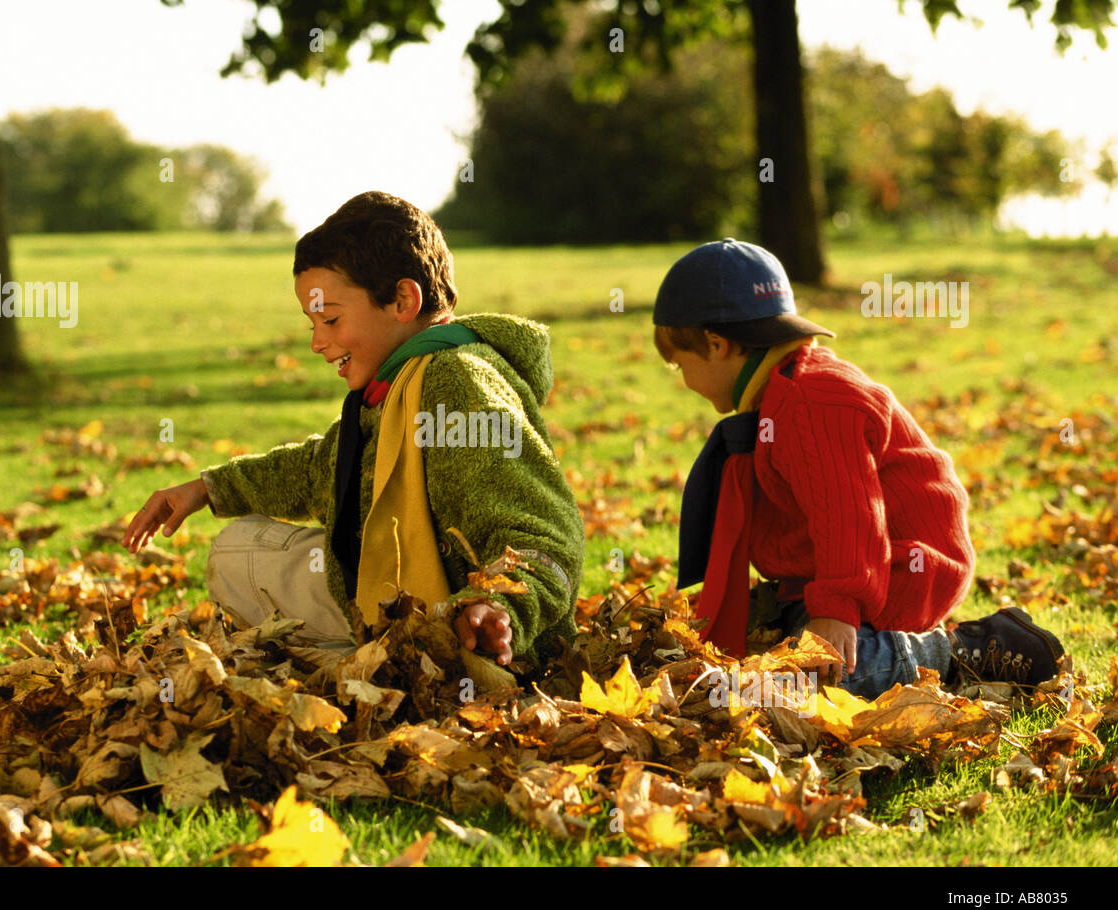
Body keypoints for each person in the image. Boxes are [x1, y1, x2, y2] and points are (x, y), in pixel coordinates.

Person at [124, 191, 584, 673]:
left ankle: (373, 664)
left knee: (235, 552)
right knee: (243, 546)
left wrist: (500, 607)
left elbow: (546, 535)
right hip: (405, 608)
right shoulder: (398, 384)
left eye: (332, 319)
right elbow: (320, 466)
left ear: (403, 300)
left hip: (469, 637)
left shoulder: (455, 380)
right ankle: (362, 660)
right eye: (312, 323)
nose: (318, 342)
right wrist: (207, 488)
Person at [652, 238, 1064, 698]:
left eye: (678, 364)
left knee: (822, 678)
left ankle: (963, 651)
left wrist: (837, 607)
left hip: (904, 565)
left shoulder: (810, 402)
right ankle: (806, 618)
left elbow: (848, 511)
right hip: (839, 571)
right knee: (734, 643)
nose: (683, 380)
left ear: (716, 344)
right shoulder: (779, 394)